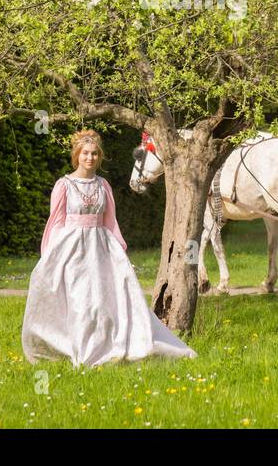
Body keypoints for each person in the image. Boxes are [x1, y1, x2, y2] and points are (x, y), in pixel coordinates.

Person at [21, 129, 196, 367]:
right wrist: (50, 257)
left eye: (94, 154)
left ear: (99, 156)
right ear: (77, 155)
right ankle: (83, 353)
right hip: (71, 249)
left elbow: (110, 221)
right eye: (85, 153)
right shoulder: (64, 185)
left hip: (100, 248)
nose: (90, 158)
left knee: (101, 299)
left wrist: (119, 250)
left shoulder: (103, 185)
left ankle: (105, 344)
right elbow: (55, 222)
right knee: (80, 299)